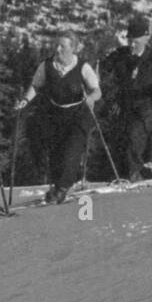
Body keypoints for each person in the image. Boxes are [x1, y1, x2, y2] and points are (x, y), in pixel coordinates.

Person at [14, 31, 101, 204]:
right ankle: (58, 185)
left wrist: (90, 99)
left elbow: (96, 91)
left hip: (78, 114)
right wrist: (25, 100)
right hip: (55, 115)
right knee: (56, 154)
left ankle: (61, 190)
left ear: (73, 48)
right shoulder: (46, 66)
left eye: (63, 46)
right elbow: (36, 86)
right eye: (57, 45)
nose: (58, 49)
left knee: (72, 151)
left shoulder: (82, 67)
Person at [99, 15, 152, 182]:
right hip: (124, 102)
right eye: (130, 40)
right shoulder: (121, 54)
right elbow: (104, 66)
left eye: (136, 41)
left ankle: (134, 173)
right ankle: (119, 174)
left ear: (146, 38)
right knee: (118, 135)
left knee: (135, 136)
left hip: (146, 104)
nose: (132, 44)